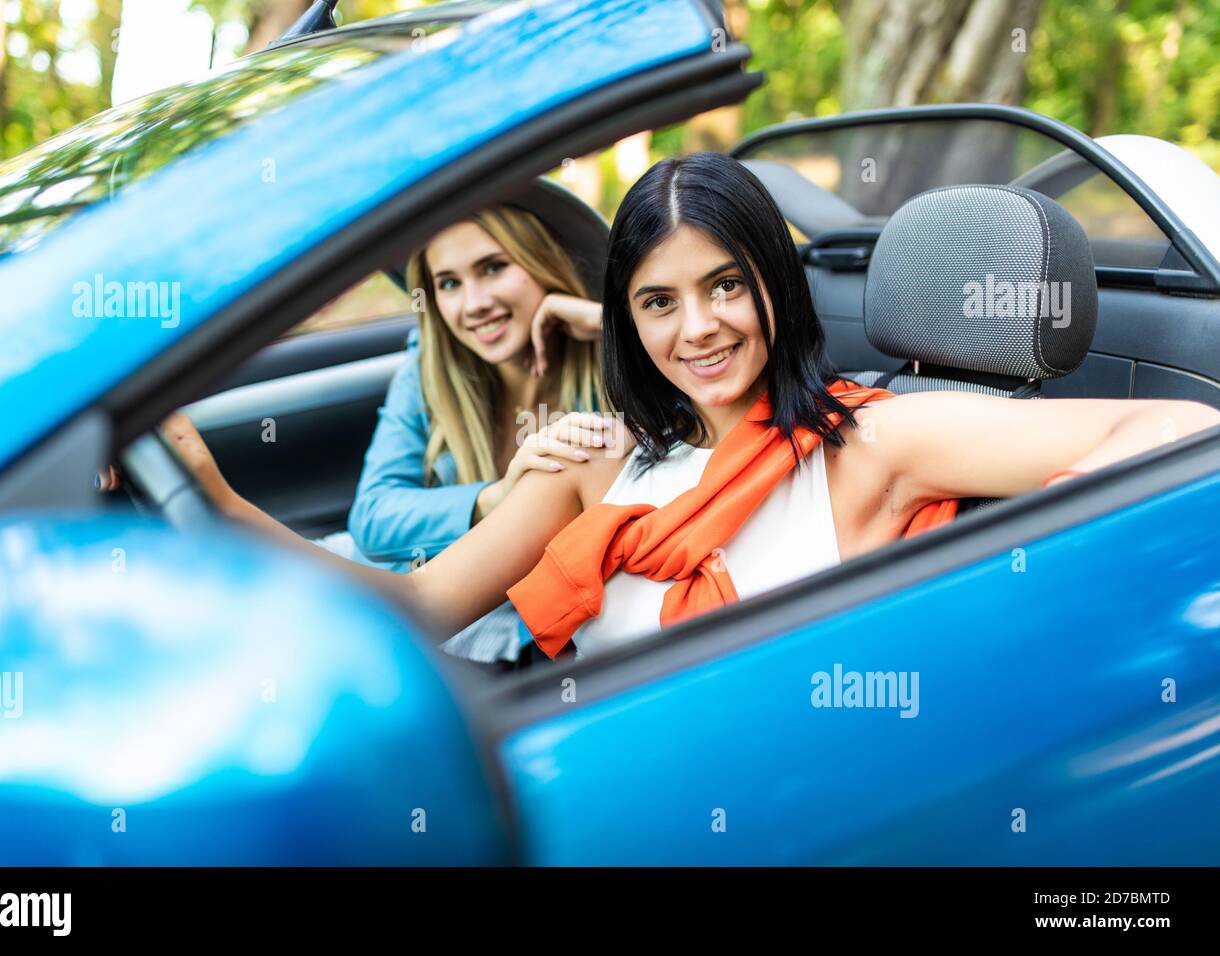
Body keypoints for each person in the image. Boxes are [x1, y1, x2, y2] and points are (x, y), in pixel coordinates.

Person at [161, 152, 1220, 662]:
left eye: (725, 286)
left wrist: (1044, 573)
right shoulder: (594, 460)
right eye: (657, 302)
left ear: (773, 285)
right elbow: (408, 610)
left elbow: (1178, 434)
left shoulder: (870, 440)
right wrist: (209, 493)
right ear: (625, 320)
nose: (697, 329)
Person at [312, 200, 615, 666]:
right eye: (449, 283)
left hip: (498, 621)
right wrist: (492, 499)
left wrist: (606, 323)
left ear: (541, 262)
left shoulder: (611, 368)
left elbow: (697, 382)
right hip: (400, 577)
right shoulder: (429, 365)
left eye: (493, 268)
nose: (474, 304)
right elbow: (373, 516)